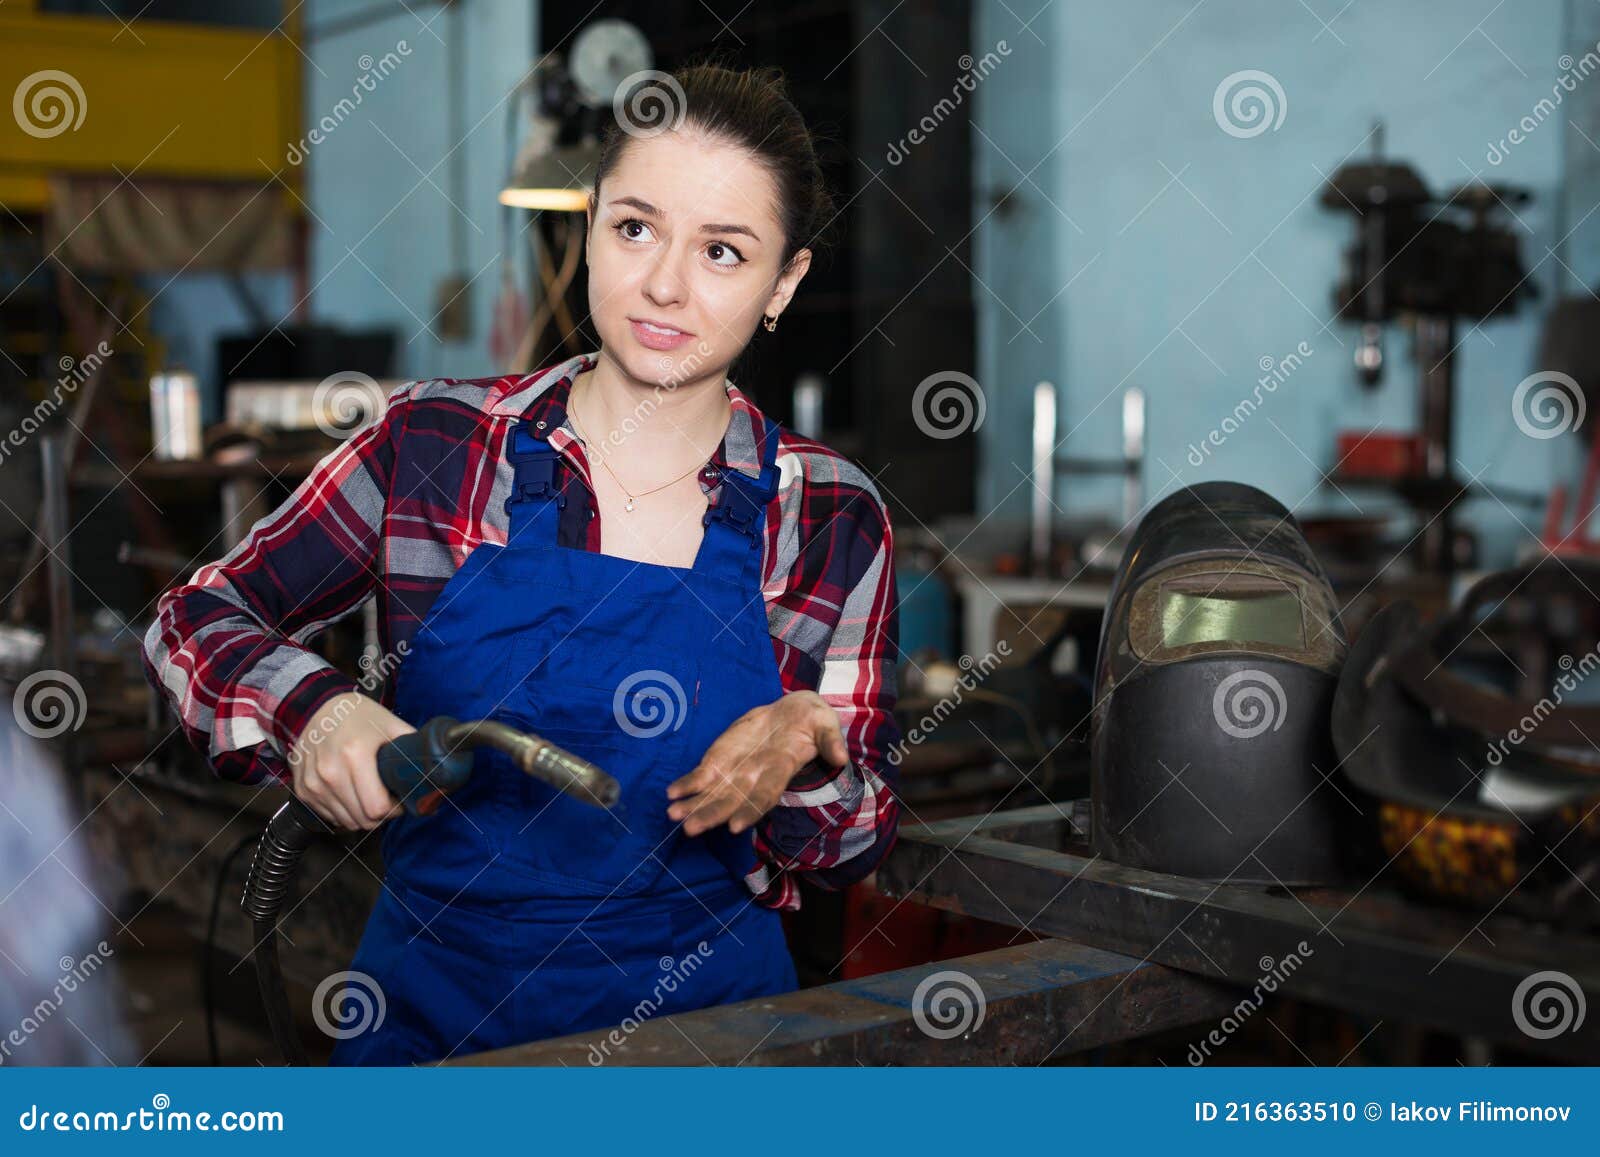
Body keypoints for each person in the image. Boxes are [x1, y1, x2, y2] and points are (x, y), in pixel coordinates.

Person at [142, 62, 901, 1065]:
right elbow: (192, 619)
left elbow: (858, 842)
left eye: (723, 251)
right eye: (635, 228)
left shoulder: (829, 512)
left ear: (784, 283)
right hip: (437, 1025)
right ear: (589, 225)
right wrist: (312, 711)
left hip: (705, 1044)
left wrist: (805, 744)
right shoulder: (433, 446)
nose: (665, 285)